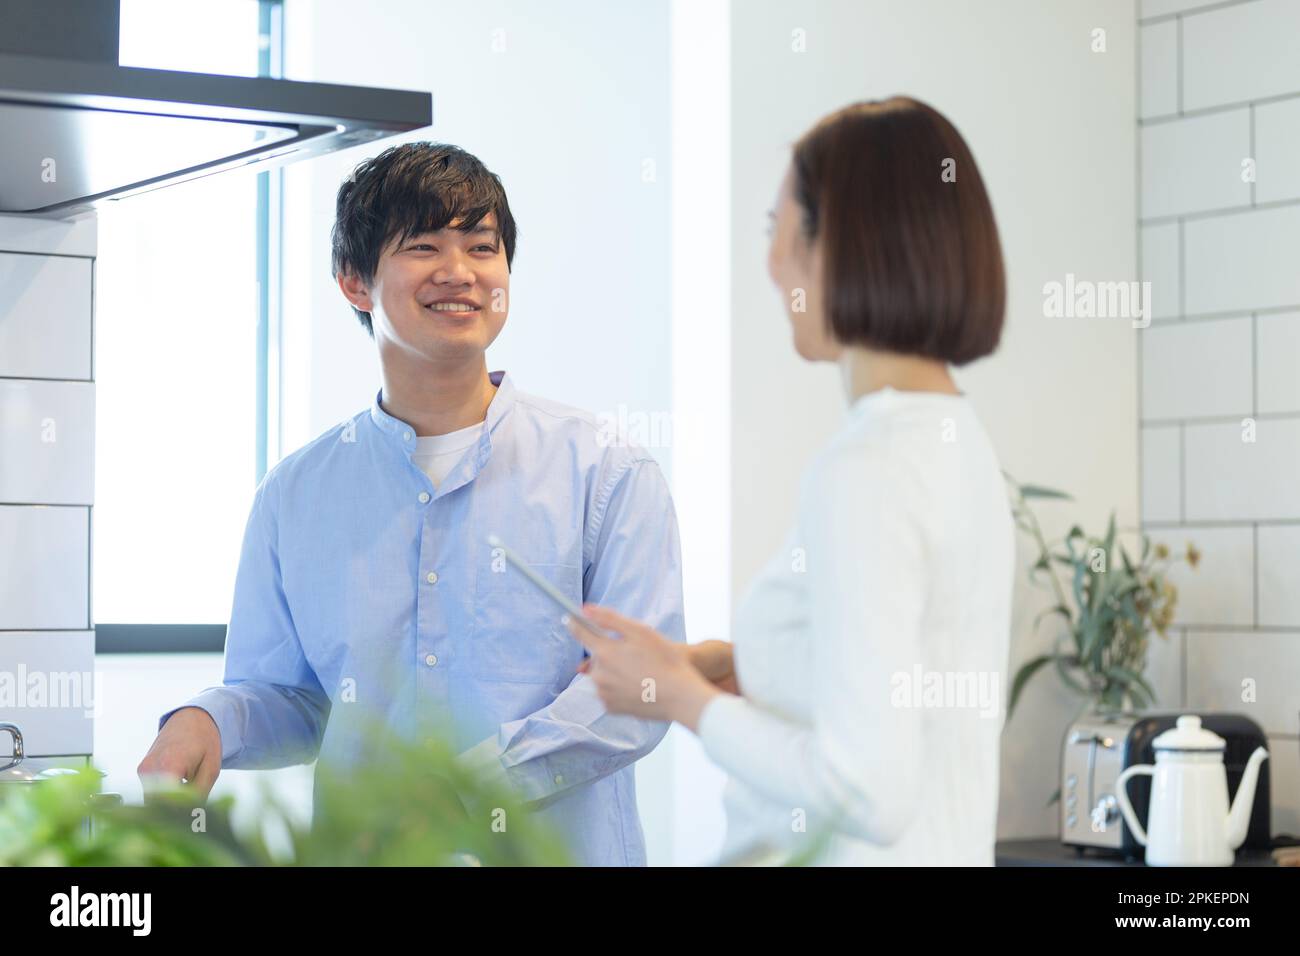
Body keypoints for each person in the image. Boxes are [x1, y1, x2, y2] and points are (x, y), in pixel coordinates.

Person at [137, 142, 686, 866]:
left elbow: (636, 693)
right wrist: (207, 721)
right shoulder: (295, 495)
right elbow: (295, 699)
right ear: (354, 283)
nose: (459, 272)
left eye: (482, 247)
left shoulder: (607, 471)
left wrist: (462, 791)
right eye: (424, 245)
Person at [566, 97, 1015, 865]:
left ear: (844, 243)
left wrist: (679, 698)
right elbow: (901, 679)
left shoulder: (867, 467)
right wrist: (740, 666)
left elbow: (868, 789)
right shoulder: (955, 440)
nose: (772, 264)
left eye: (780, 230)